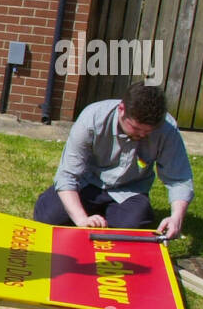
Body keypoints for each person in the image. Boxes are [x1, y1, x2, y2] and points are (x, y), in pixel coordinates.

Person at [33, 81, 193, 237]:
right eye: (136, 129)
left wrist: (176, 218)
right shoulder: (92, 118)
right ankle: (91, 213)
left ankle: (107, 216)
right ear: (121, 109)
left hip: (129, 191)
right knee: (48, 217)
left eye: (149, 131)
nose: (143, 135)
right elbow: (67, 176)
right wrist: (81, 220)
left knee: (133, 227)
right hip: (86, 183)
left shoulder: (167, 129)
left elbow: (179, 179)